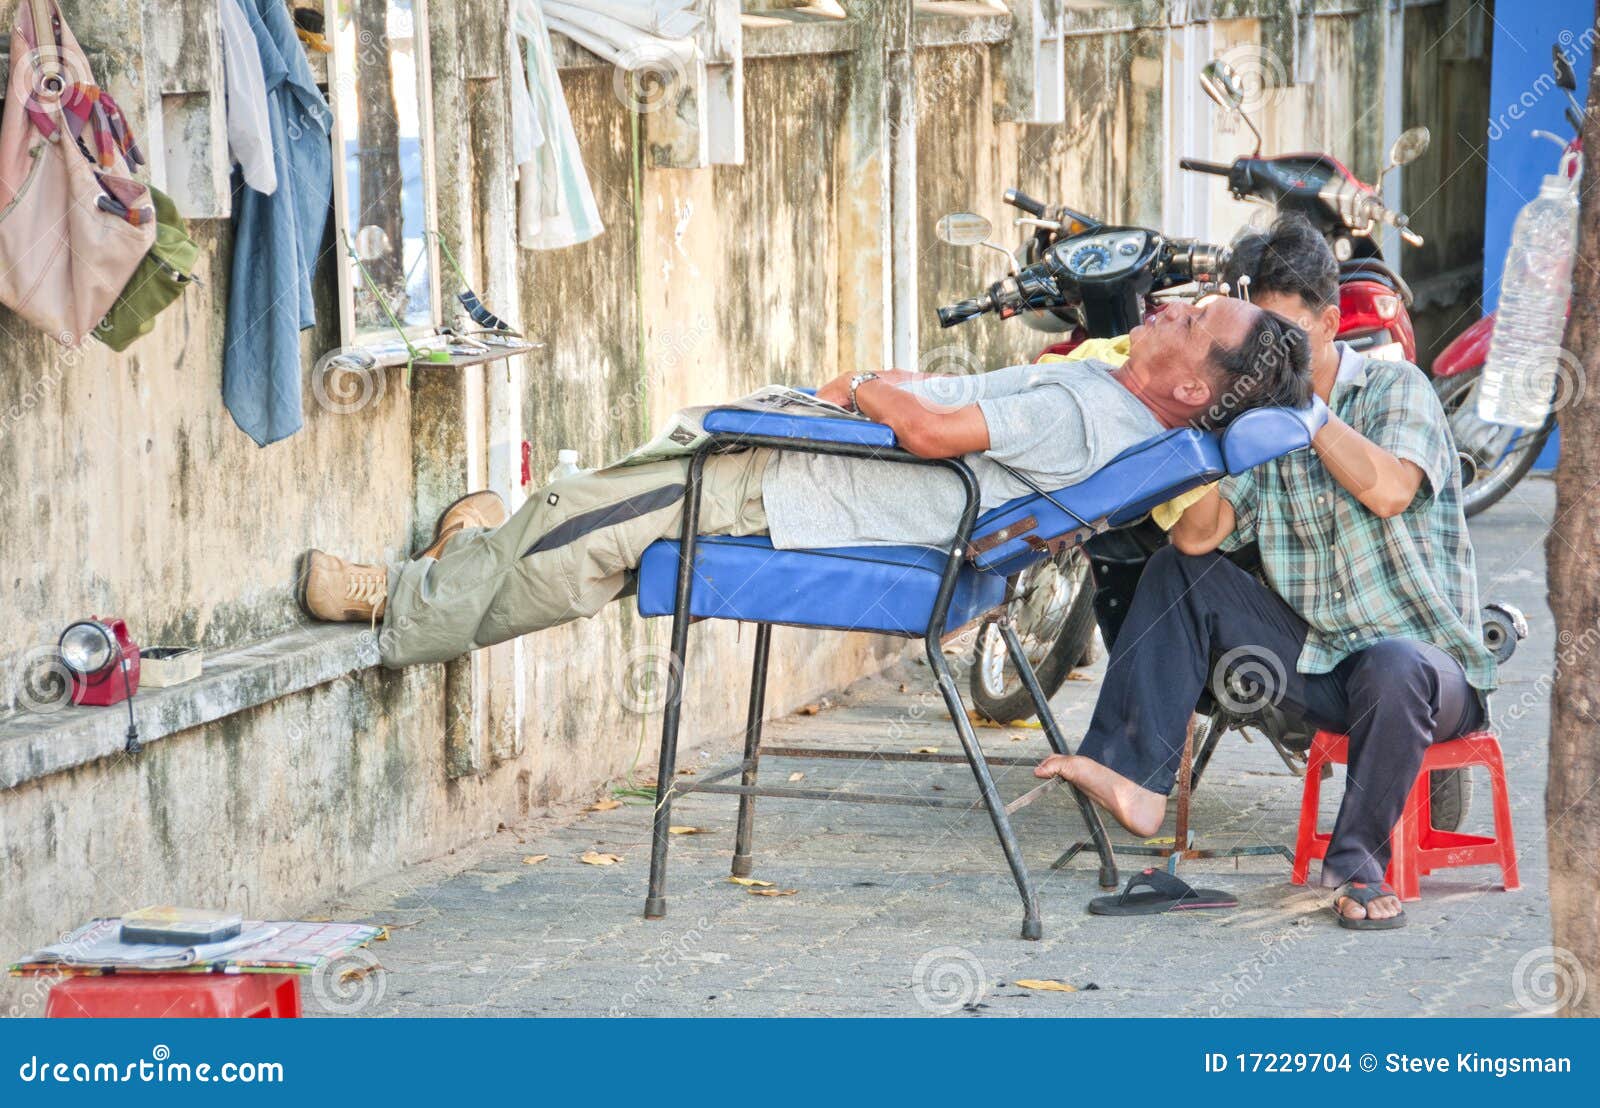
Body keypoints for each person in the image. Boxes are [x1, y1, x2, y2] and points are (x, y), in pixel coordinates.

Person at [299, 296, 1308, 675]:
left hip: (817, 488)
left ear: (1188, 385)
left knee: (579, 524)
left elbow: (926, 431)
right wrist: (867, 392)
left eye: (1192, 322)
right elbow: (948, 405)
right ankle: (470, 552)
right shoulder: (1108, 392)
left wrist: (863, 388)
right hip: (827, 465)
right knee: (598, 507)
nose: (1171, 306)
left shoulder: (1089, 412)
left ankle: (405, 606)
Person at [1035, 214, 1494, 930]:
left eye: (1289, 342)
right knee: (1172, 574)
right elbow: (1200, 536)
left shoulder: (1394, 390)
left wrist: (1306, 412)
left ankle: (1354, 870)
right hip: (1319, 666)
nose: (1270, 362)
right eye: (1259, 346)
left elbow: (1390, 489)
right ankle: (1135, 777)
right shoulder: (1259, 419)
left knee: (1395, 664)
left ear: (1333, 322)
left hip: (1430, 674)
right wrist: (1192, 434)